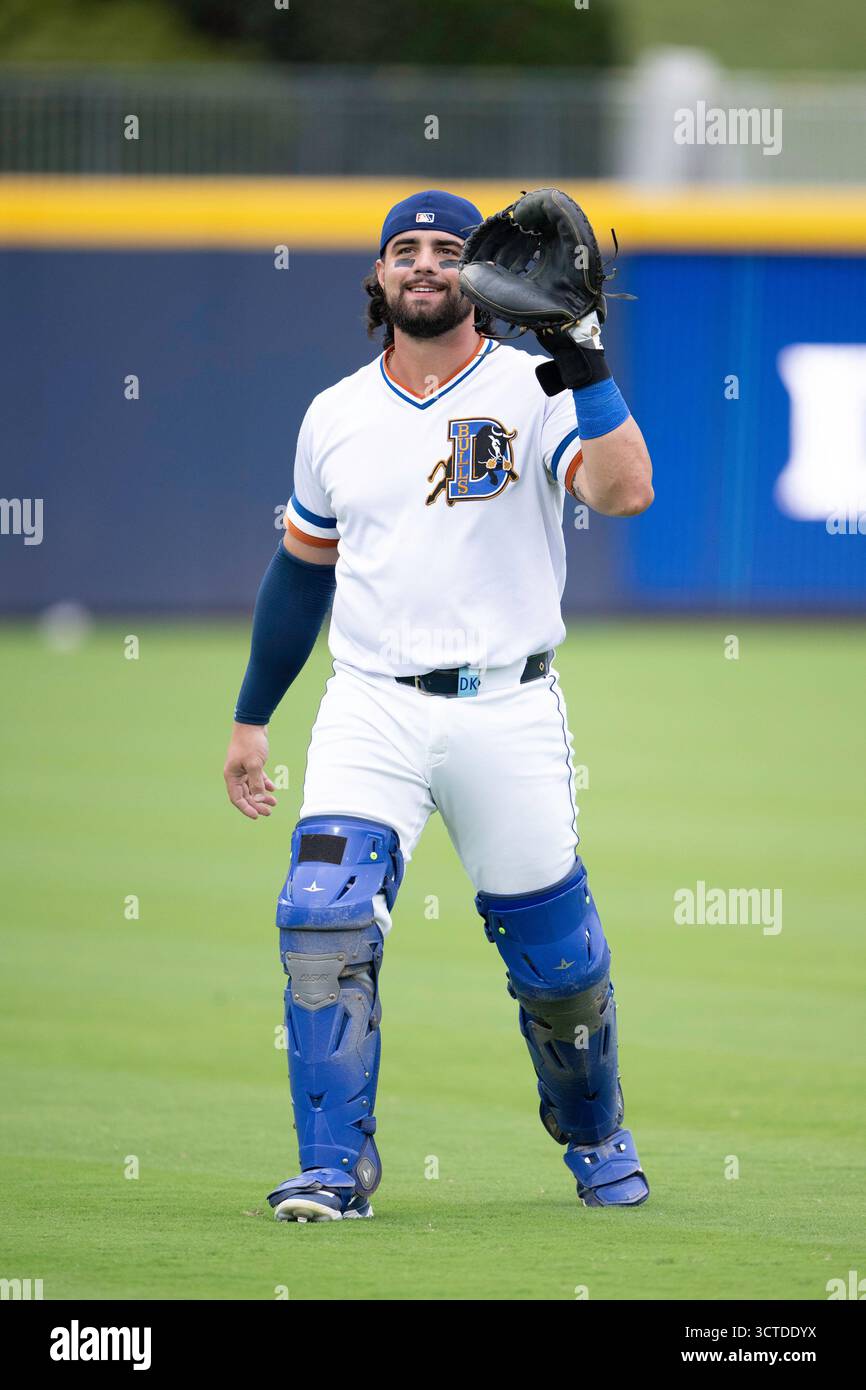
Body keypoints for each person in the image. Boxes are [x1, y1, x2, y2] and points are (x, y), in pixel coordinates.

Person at [223, 189, 654, 1221]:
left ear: (480, 275)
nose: (423, 261)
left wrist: (584, 356)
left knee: (557, 969)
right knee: (321, 922)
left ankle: (594, 1133)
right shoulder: (333, 413)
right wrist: (251, 716)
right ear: (376, 276)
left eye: (446, 248)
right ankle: (334, 1167)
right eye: (402, 248)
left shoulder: (534, 383)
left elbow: (624, 491)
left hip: (505, 708)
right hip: (369, 704)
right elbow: (299, 575)